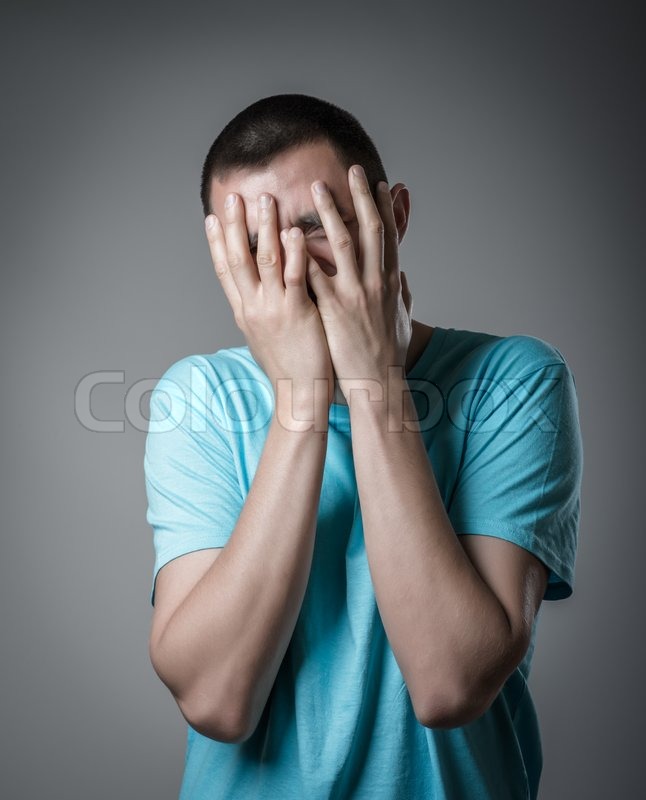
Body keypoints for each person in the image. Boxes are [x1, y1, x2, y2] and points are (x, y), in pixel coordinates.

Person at [144, 93, 583, 800]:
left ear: (393, 218)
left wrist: (376, 382)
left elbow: (449, 683)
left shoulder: (515, 381)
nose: (289, 268)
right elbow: (218, 701)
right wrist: (301, 402)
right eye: (255, 245)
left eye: (316, 226)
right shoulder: (200, 398)